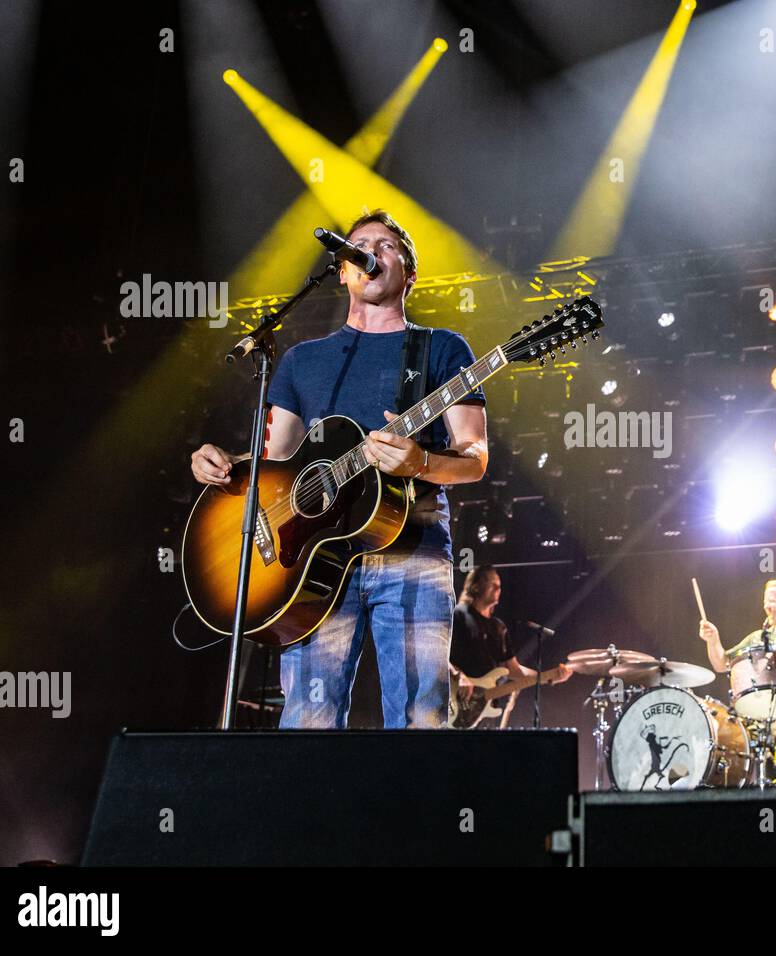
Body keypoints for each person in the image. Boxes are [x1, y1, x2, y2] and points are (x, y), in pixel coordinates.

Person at [189, 209, 489, 729]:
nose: (372, 250)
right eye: (360, 245)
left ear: (409, 273)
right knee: (308, 720)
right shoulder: (303, 360)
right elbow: (276, 463)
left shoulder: (441, 348)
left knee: (422, 718)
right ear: (345, 270)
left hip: (412, 550)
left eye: (387, 244)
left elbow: (475, 459)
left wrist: (419, 461)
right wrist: (226, 466)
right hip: (312, 564)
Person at [449, 565, 571, 728]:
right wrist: (460, 676)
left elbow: (514, 670)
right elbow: (437, 654)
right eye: (492, 583)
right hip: (455, 700)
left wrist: (550, 676)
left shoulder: (498, 627)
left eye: (499, 584)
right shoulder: (458, 615)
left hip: (484, 709)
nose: (498, 588)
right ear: (476, 586)